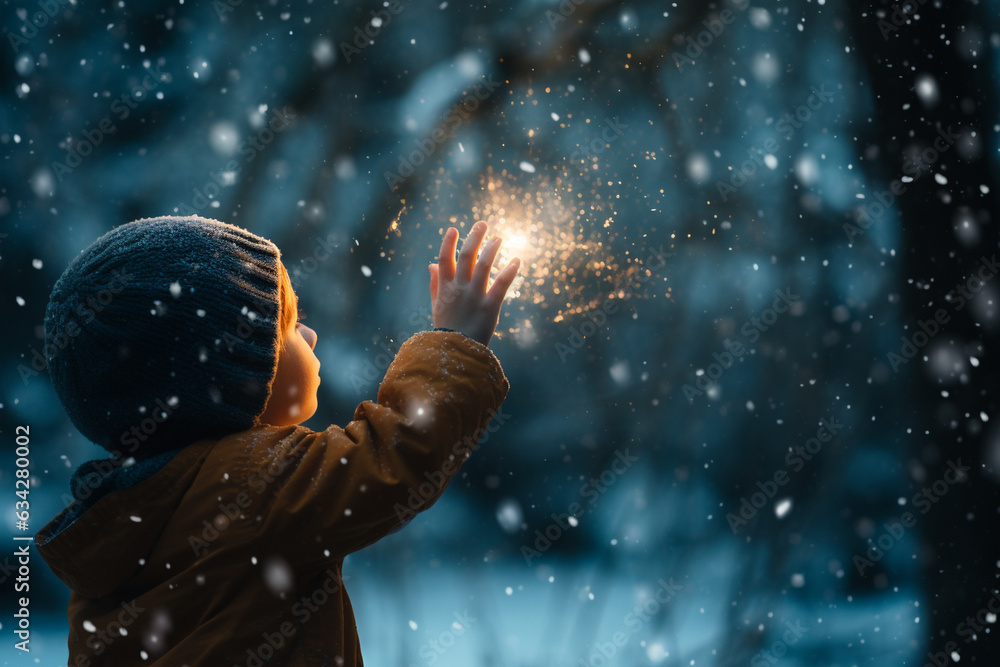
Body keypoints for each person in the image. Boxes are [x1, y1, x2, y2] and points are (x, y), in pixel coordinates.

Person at [35, 215, 519, 666]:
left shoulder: (108, 540)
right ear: (226, 374)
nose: (307, 333)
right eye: (285, 324)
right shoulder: (252, 485)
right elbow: (395, 456)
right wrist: (455, 342)